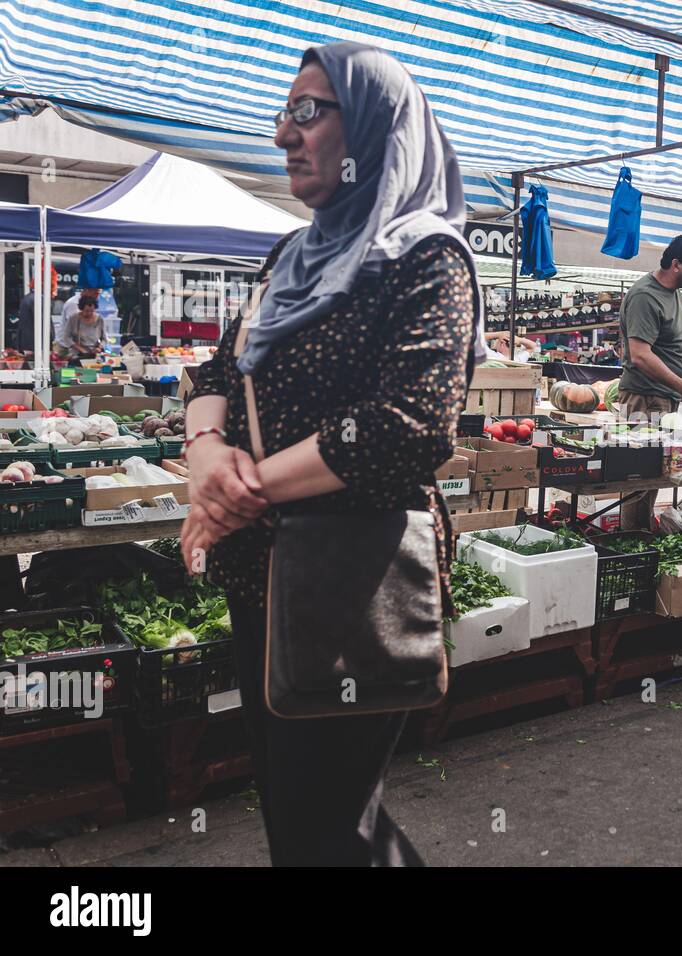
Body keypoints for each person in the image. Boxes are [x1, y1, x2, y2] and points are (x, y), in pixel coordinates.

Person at [180, 42, 480, 865]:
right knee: (296, 811)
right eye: (285, 113)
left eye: (309, 111)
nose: (285, 133)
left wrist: (242, 491)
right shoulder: (292, 256)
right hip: (263, 571)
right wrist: (207, 455)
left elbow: (409, 425)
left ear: (376, 125)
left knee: (326, 826)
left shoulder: (426, 257)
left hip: (351, 581)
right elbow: (217, 369)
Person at [616, 234, 682, 529]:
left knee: (653, 476)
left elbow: (665, 346)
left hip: (664, 397)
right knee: (637, 478)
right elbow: (640, 355)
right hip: (644, 397)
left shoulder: (675, 293)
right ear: (676, 264)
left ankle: (641, 536)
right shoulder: (645, 296)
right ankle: (632, 544)